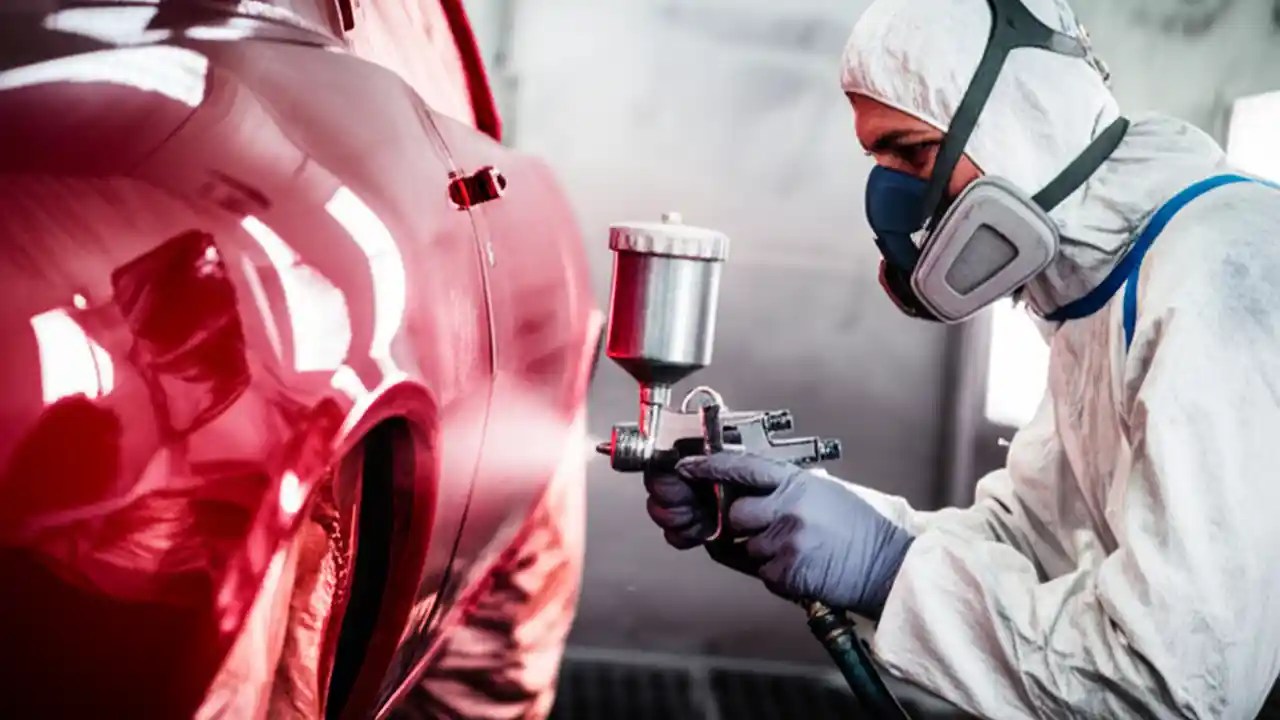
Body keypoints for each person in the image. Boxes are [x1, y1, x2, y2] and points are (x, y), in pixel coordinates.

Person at [643, 0, 1280, 716]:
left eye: (911, 152)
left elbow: (1174, 689)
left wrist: (882, 569)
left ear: (1022, 125)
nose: (892, 196)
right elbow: (1032, 546)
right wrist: (801, 513)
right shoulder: (1099, 291)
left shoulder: (1224, 274)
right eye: (877, 159)